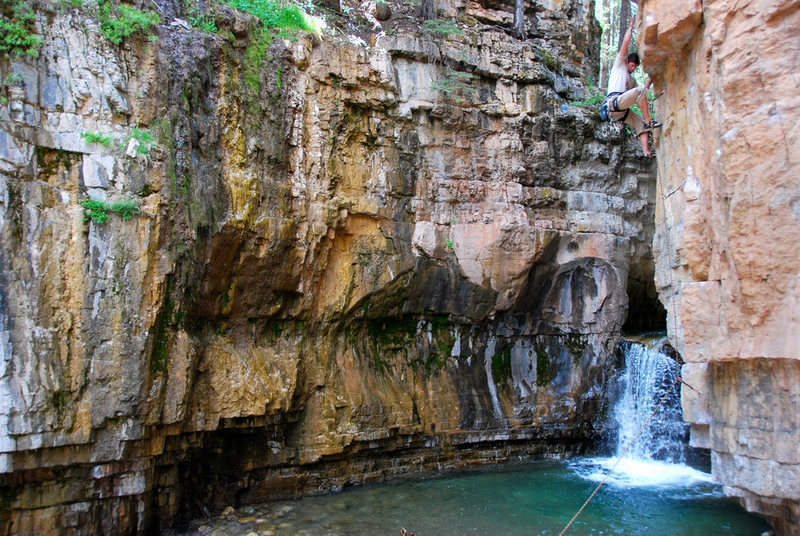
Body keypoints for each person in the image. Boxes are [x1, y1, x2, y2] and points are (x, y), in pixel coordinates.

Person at [605, 19, 661, 158]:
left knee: (641, 124)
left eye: (636, 66)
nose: (633, 67)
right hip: (614, 103)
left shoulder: (631, 81)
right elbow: (624, 44)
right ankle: (649, 121)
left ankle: (646, 152)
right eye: (633, 65)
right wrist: (630, 27)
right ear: (627, 62)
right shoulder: (619, 66)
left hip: (621, 111)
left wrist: (651, 79)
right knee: (639, 94)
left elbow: (643, 92)